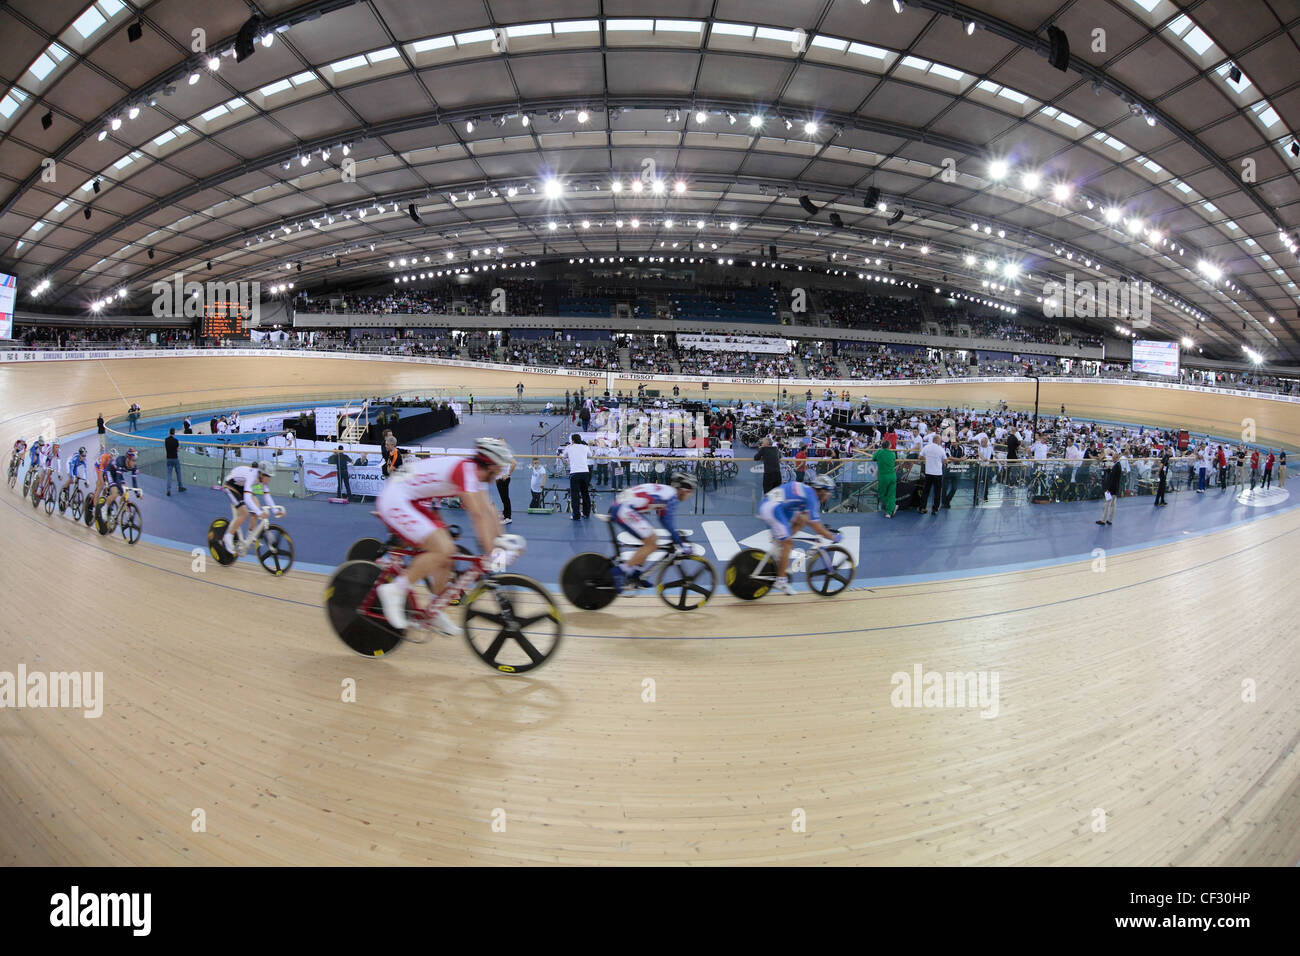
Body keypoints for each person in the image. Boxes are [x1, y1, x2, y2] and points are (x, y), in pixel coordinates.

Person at [374, 438, 517, 635]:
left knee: (446, 557)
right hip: (395, 498)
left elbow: (490, 511)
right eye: (500, 467)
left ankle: (434, 610)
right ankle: (394, 590)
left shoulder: (478, 477)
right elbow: (478, 515)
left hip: (415, 500)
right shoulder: (466, 472)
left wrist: (502, 541)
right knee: (443, 549)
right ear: (490, 465)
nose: (501, 471)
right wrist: (493, 553)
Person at [606, 473, 697, 591]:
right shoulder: (672, 497)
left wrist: (676, 538)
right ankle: (619, 571)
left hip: (622, 506)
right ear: (684, 490)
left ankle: (636, 575)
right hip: (624, 509)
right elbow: (667, 523)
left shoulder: (667, 492)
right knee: (652, 543)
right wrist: (681, 544)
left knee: (651, 539)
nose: (691, 495)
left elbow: (663, 519)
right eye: (691, 491)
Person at [757, 475, 841, 595]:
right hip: (773, 508)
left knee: (800, 520)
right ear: (822, 490)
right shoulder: (812, 498)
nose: (829, 496)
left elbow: (805, 518)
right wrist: (833, 537)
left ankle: (779, 551)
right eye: (829, 492)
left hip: (775, 505)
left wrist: (821, 529)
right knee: (788, 543)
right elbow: (815, 526)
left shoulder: (807, 492)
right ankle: (780, 581)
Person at [220, 460, 277, 555]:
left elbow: (267, 495)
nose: (269, 479)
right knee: (244, 514)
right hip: (231, 485)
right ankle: (228, 537)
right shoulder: (252, 476)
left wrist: (275, 510)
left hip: (242, 486)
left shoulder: (261, 478)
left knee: (256, 507)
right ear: (261, 474)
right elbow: (247, 499)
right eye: (268, 476)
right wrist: (259, 513)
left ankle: (250, 536)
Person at [98, 447, 140, 526]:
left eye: (135, 460)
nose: (134, 462)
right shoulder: (120, 462)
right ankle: (104, 508)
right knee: (115, 493)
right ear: (128, 459)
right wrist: (120, 490)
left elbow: (134, 481)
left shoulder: (134, 467)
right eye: (133, 460)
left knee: (125, 493)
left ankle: (119, 511)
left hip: (118, 474)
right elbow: (117, 479)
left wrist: (137, 493)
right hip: (110, 472)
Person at [558, 433, 591, 520]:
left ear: (572, 441)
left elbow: (563, 456)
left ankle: (576, 515)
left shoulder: (569, 447)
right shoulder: (585, 447)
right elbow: (590, 455)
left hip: (575, 473)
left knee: (575, 495)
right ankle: (586, 513)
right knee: (585, 494)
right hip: (585, 472)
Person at [873, 440, 898, 517]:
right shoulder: (893, 454)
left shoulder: (879, 452)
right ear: (889, 446)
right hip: (893, 476)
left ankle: (892, 507)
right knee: (891, 495)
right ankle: (889, 512)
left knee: (881, 494)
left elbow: (873, 458)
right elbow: (894, 460)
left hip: (884, 477)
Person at [496, 439, 516, 524]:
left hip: (504, 479)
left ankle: (508, 517)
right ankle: (505, 513)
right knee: (503, 498)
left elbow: (514, 463)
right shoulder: (497, 452)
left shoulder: (506, 452)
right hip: (498, 479)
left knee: (505, 498)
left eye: (503, 442)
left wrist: (508, 474)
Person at [164, 428, 186, 495]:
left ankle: (168, 490)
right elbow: (177, 449)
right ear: (174, 433)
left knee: (169, 475)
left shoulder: (166, 440)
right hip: (175, 458)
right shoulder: (176, 441)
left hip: (169, 459)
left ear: (169, 432)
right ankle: (180, 487)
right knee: (178, 473)